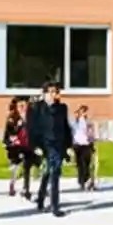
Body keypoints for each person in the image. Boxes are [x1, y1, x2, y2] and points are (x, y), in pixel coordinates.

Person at [30, 82, 73, 218]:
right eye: (51, 92)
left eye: (56, 92)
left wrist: (68, 147)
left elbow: (66, 128)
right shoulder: (37, 108)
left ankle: (46, 201)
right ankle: (52, 205)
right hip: (45, 144)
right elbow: (31, 129)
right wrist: (35, 146)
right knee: (52, 172)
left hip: (58, 144)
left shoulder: (62, 108)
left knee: (52, 172)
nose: (53, 94)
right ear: (45, 94)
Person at [3, 96, 38, 198]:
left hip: (28, 145)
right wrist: (9, 141)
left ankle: (26, 188)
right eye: (20, 106)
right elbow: (8, 133)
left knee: (27, 166)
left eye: (24, 105)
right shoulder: (12, 118)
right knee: (15, 167)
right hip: (16, 146)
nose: (22, 108)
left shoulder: (32, 117)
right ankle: (12, 183)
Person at [71, 105, 96, 191]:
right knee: (80, 164)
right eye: (81, 111)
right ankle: (81, 181)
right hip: (77, 145)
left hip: (86, 144)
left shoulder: (88, 122)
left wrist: (92, 144)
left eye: (84, 112)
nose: (83, 113)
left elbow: (91, 134)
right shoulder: (75, 123)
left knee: (86, 163)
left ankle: (86, 179)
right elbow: (72, 133)